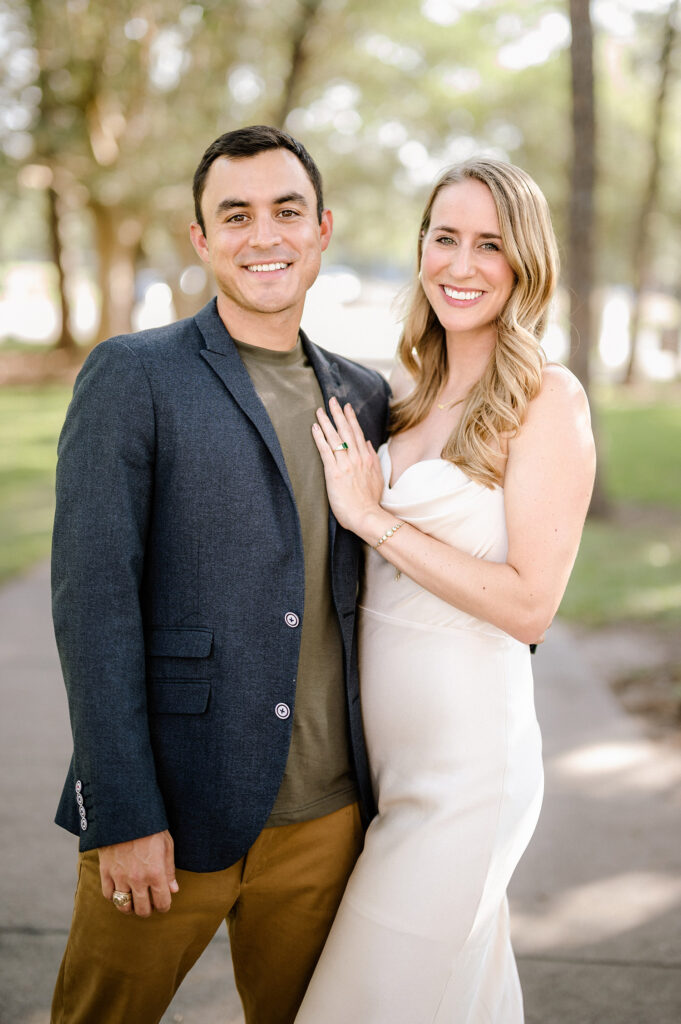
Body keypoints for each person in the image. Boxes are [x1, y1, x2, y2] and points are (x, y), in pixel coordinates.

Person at [50, 125, 390, 1024]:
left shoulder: (365, 397)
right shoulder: (135, 376)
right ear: (201, 242)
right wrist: (121, 811)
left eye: (285, 211)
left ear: (322, 228)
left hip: (326, 819)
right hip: (170, 808)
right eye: (233, 216)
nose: (262, 235)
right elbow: (93, 605)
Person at [294, 159, 596, 1022]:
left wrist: (372, 515)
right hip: (382, 768)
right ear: (420, 248)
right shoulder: (406, 392)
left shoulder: (546, 398)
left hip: (467, 770)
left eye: (489, 245)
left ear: (524, 263)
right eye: (444, 238)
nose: (461, 265)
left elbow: (529, 604)